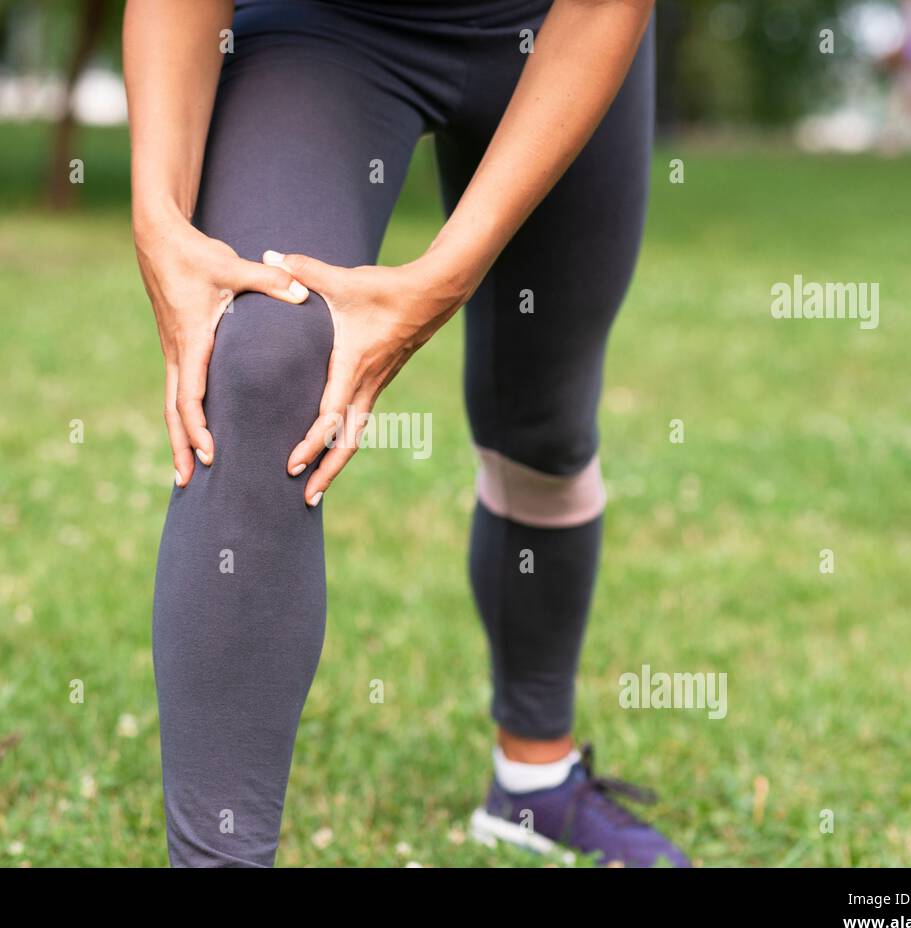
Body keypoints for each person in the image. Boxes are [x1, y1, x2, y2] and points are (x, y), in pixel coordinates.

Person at [125, 0, 689, 867]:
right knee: (263, 356)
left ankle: (535, 784)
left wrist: (443, 278)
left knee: (541, 424)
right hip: (326, 29)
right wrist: (158, 217)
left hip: (561, 24)